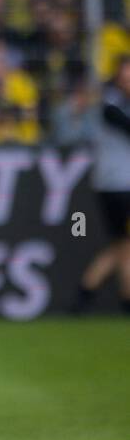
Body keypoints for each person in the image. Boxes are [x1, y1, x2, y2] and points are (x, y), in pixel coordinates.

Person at [73, 57, 130, 314]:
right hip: (118, 185)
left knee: (122, 244)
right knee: (123, 244)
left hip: (115, 184)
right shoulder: (109, 103)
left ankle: (87, 293)